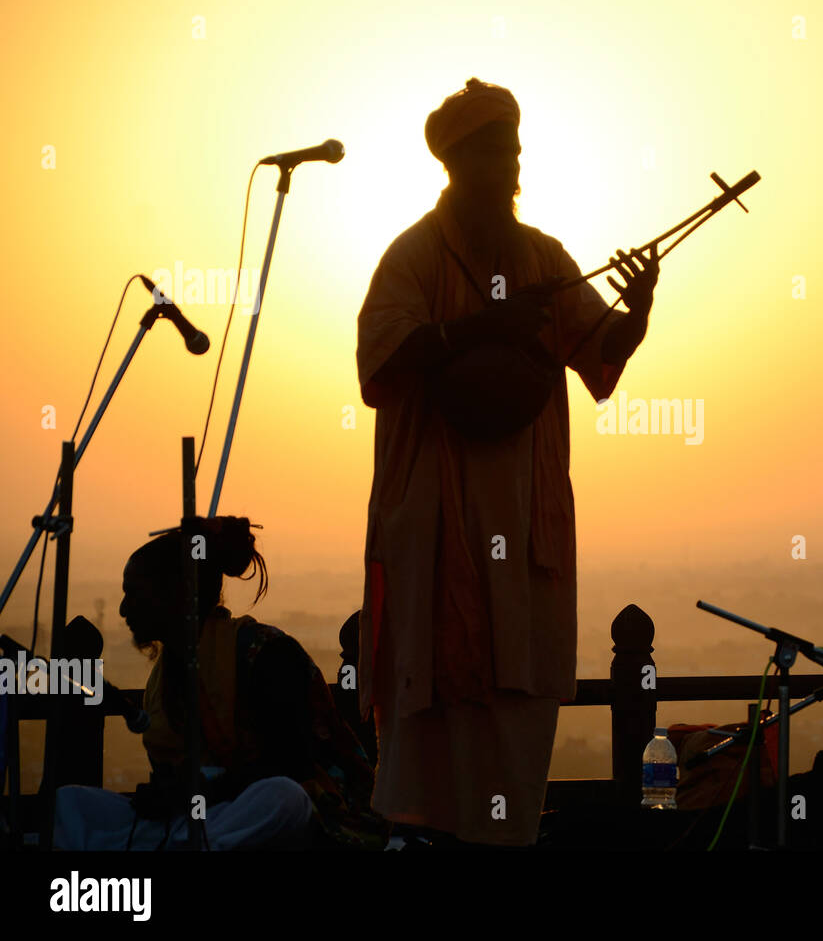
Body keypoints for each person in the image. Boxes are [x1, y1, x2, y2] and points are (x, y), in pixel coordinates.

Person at [355, 77, 659, 846]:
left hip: (523, 540)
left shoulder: (545, 259)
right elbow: (384, 358)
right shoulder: (413, 258)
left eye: (515, 150)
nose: (510, 166)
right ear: (456, 163)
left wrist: (641, 309)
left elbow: (601, 354)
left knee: (514, 717)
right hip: (433, 534)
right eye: (495, 152)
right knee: (429, 730)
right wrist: (484, 326)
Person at [54, 517, 388, 850]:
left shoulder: (264, 651)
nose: (125, 609)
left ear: (175, 594)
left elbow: (291, 765)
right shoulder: (166, 672)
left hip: (265, 810)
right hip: (203, 819)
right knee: (71, 803)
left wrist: (200, 790)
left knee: (283, 798)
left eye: (134, 594)